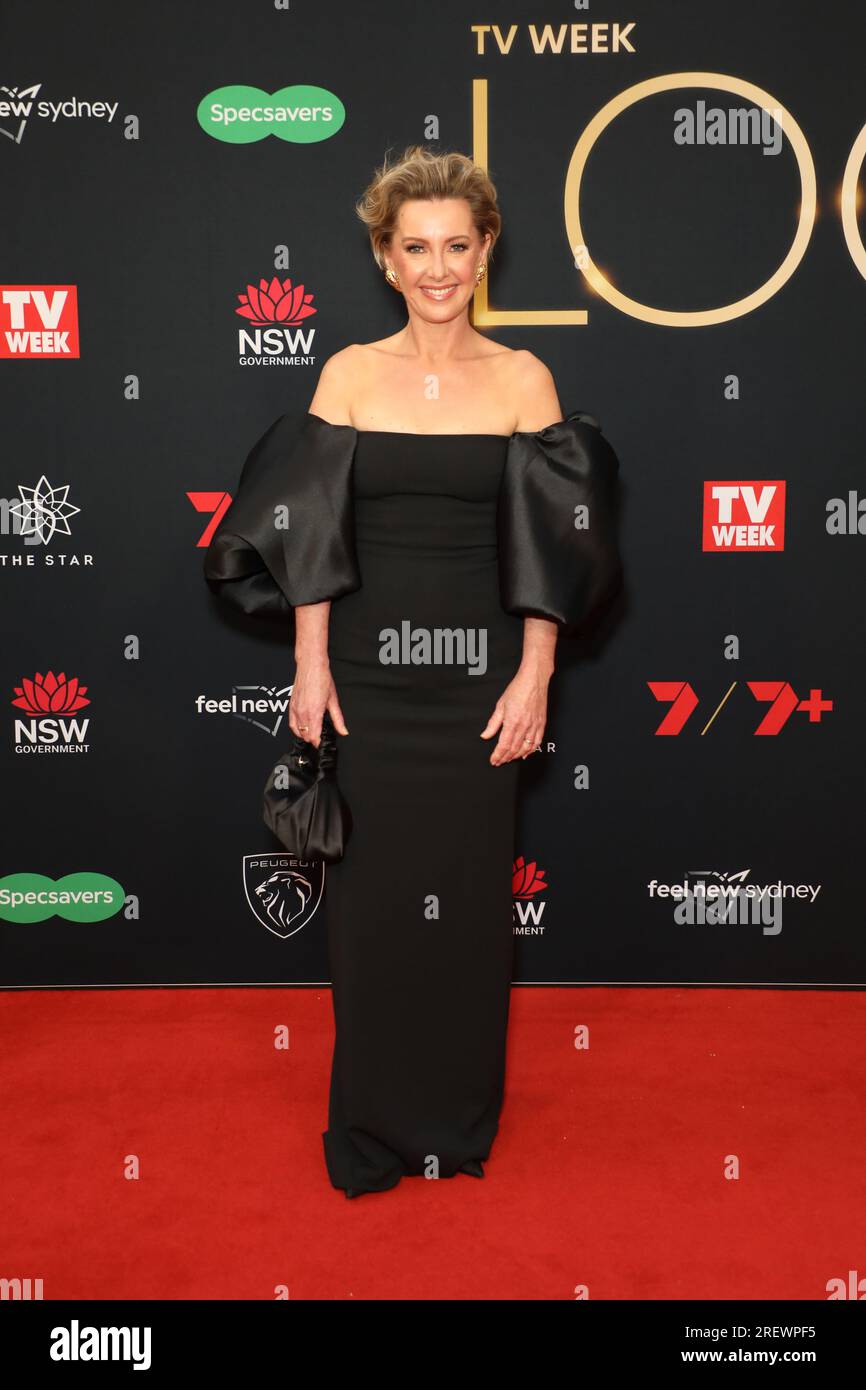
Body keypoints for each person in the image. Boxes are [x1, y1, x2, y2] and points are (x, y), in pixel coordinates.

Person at [204, 145, 623, 1197]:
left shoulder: (525, 379)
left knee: (469, 902)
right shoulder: (347, 372)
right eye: (412, 248)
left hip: (479, 681)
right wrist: (308, 667)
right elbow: (305, 535)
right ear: (384, 259)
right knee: (374, 904)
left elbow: (552, 545)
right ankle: (377, 1121)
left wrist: (534, 676)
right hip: (366, 677)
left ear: (485, 251)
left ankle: (452, 1120)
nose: (436, 268)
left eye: (455, 246)